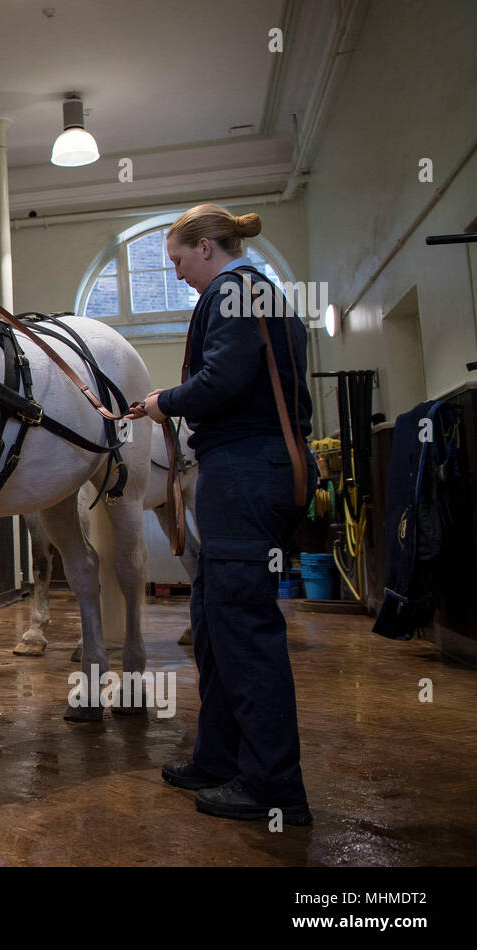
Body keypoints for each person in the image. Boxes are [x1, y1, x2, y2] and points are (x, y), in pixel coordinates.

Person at [127, 203, 317, 825]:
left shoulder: (237, 291)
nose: (178, 274)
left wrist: (163, 402)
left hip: (243, 470)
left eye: (179, 260)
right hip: (240, 469)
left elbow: (224, 381)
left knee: (243, 630)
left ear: (206, 248)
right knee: (213, 623)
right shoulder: (252, 294)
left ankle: (273, 786)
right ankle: (220, 757)